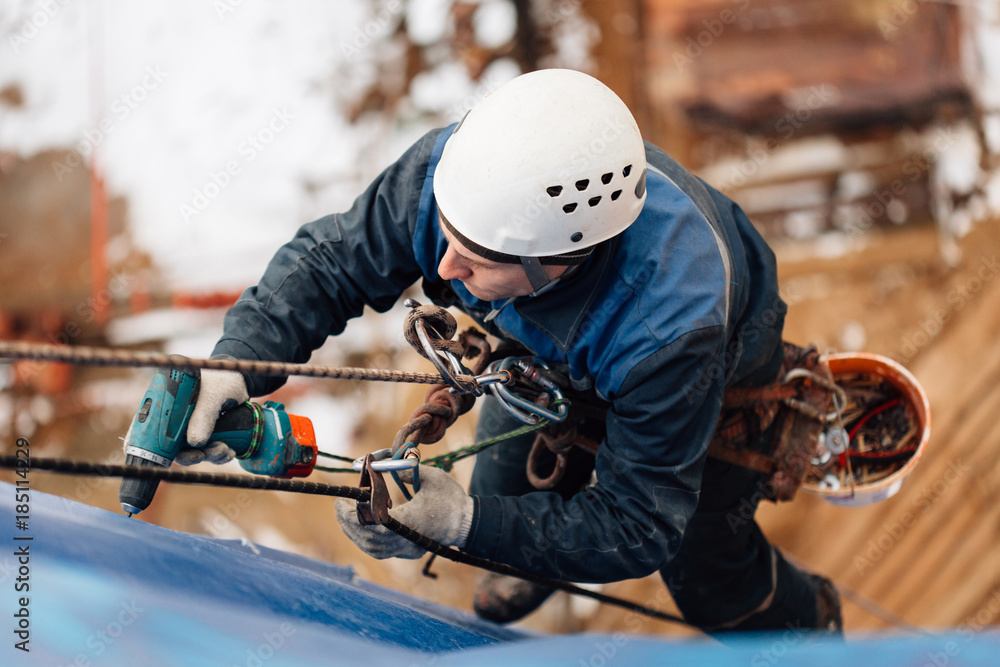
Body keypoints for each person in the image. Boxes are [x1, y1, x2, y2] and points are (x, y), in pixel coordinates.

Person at [174, 69, 842, 634]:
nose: (442, 262)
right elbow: (331, 263)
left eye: (477, 257)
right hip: (552, 353)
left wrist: (465, 522)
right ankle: (533, 561)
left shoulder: (672, 321)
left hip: (709, 377)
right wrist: (235, 362)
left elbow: (640, 521)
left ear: (564, 259)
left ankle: (809, 619)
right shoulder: (463, 177)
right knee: (504, 489)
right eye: (446, 232)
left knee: (704, 573)